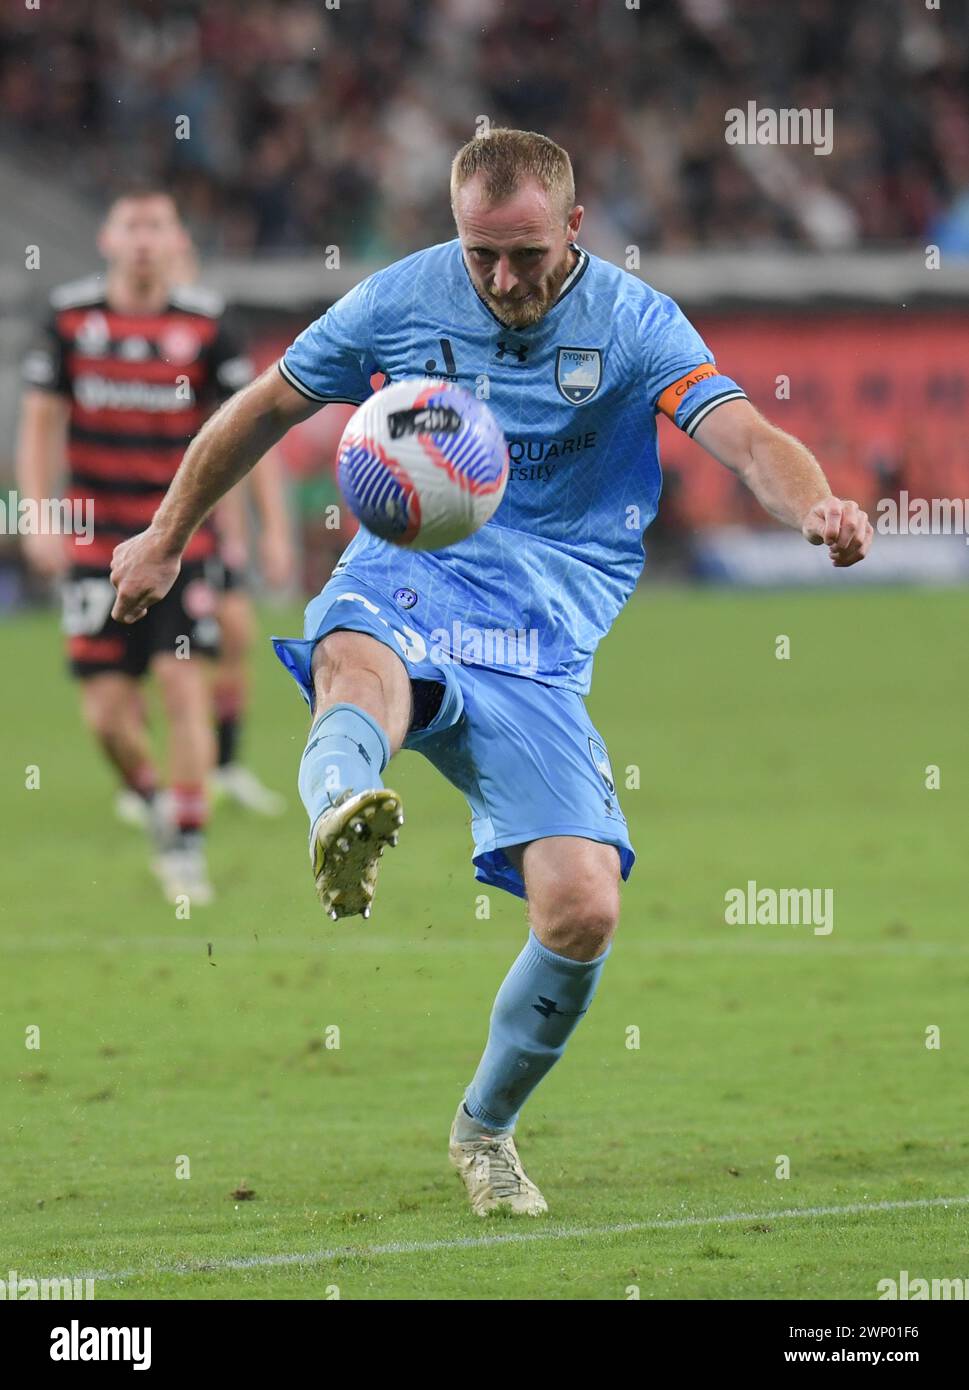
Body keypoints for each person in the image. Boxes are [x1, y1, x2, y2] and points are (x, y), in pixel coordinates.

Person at [109, 130, 873, 1216]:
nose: (502, 280)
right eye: (480, 256)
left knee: (581, 911)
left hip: (542, 635)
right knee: (357, 660)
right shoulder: (404, 297)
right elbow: (270, 405)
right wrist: (169, 533)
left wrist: (819, 504)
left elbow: (745, 437)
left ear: (575, 227)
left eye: (525, 255)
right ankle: (341, 810)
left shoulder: (635, 322)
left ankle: (486, 1130)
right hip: (415, 572)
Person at [17, 186, 255, 905]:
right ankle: (154, 801)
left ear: (177, 238)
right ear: (108, 239)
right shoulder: (68, 318)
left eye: (158, 225)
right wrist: (38, 515)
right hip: (95, 543)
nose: (145, 239)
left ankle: (186, 844)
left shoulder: (209, 326)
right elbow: (38, 426)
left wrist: (236, 532)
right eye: (132, 225)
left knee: (184, 684)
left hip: (180, 540)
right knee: (108, 718)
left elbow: (238, 439)